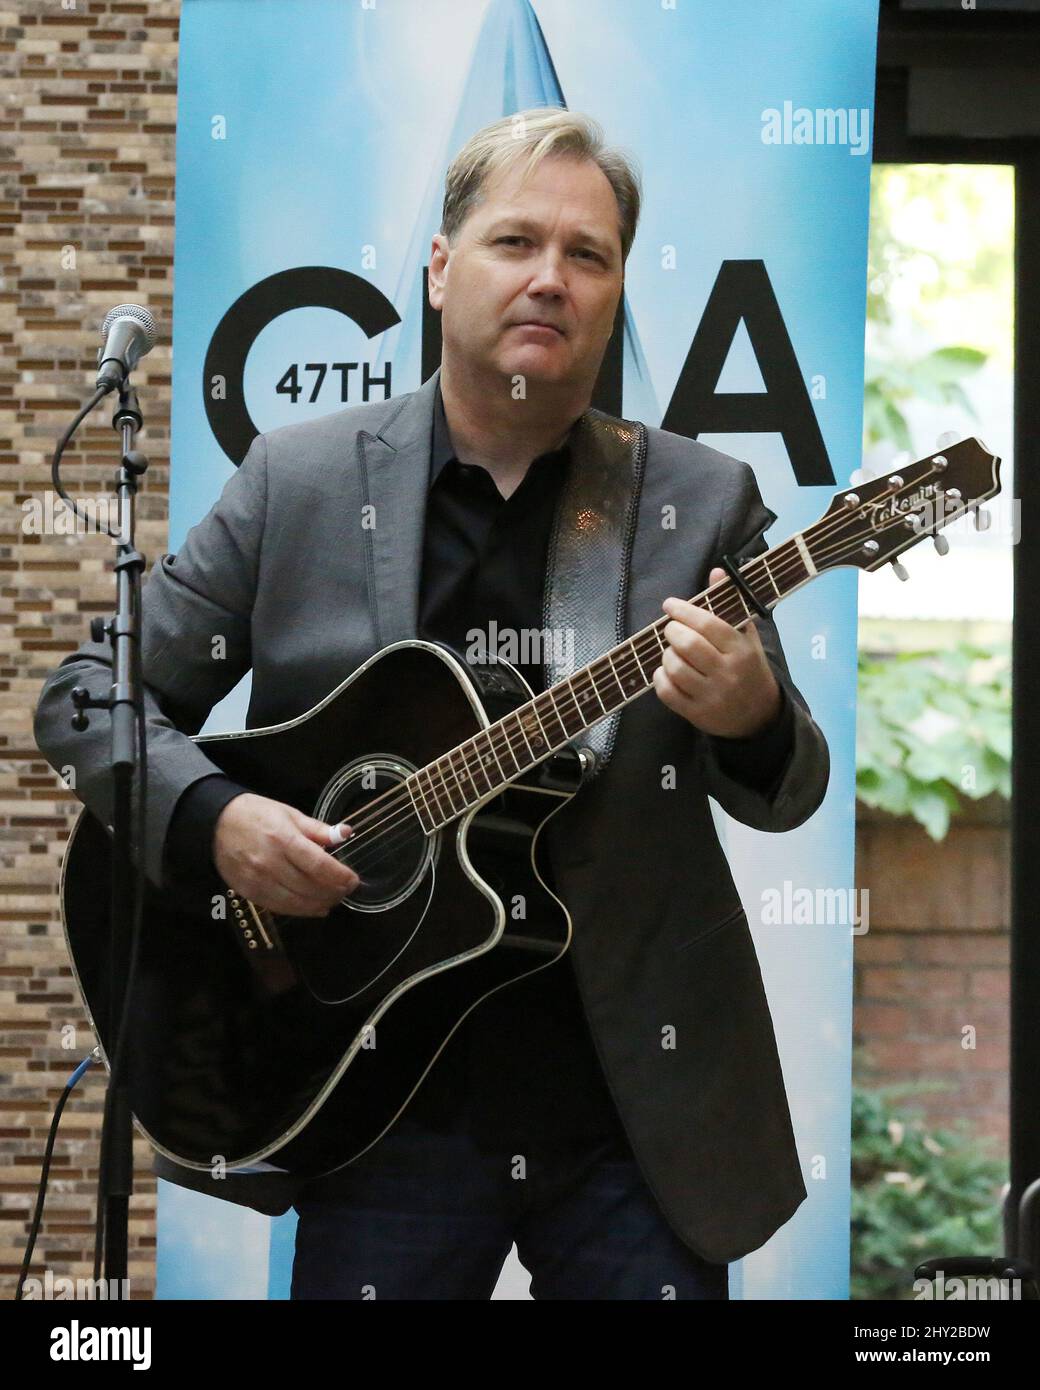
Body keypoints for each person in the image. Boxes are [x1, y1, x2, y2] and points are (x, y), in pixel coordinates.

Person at [33, 106, 830, 1300]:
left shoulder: (696, 501)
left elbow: (788, 786)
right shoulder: (299, 484)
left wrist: (751, 710)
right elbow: (89, 695)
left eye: (587, 255)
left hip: (628, 1107)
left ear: (616, 293)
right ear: (441, 267)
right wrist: (217, 822)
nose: (549, 280)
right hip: (368, 1087)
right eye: (515, 243)